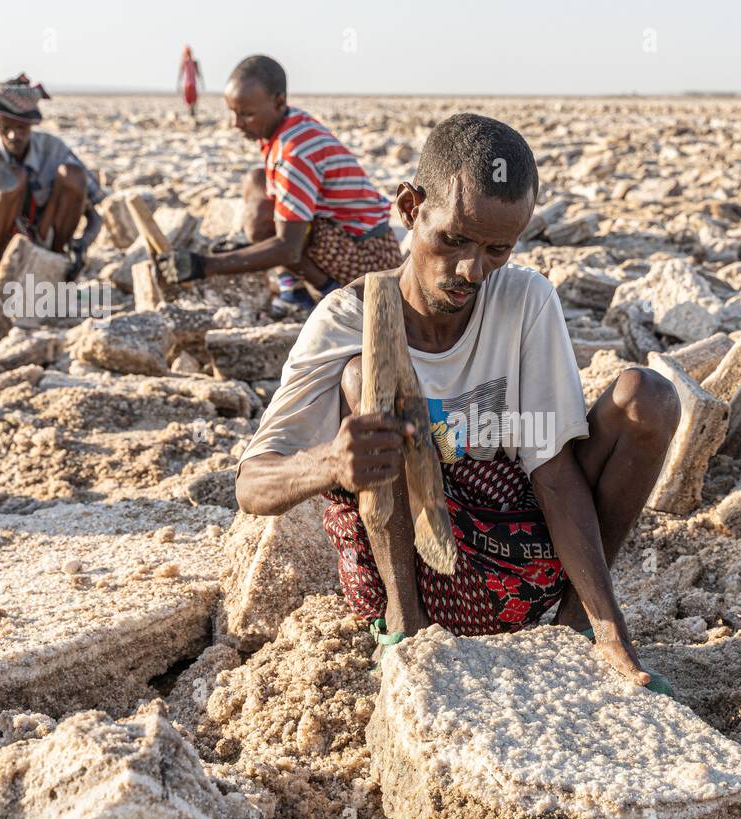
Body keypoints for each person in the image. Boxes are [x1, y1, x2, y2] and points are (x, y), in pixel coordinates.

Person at [234, 113, 681, 688]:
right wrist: (329, 462)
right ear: (409, 207)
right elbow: (251, 485)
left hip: (513, 566)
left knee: (649, 398)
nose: (472, 270)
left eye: (498, 248)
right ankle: (409, 634)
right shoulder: (349, 317)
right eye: (453, 239)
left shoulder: (523, 300)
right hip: (412, 564)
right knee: (364, 377)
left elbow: (552, 470)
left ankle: (571, 630)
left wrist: (609, 629)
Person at [156, 55, 401, 313]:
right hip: (350, 239)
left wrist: (204, 265)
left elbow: (287, 248)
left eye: (248, 114)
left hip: (370, 261)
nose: (236, 124)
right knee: (258, 181)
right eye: (233, 112)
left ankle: (331, 291)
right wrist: (250, 253)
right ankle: (293, 289)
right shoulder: (285, 123)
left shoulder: (294, 152)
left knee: (281, 225)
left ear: (279, 101)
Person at [0, 74, 103, 284]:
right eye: (5, 126)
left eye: (21, 128)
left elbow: (95, 214)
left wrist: (82, 244)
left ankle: (55, 266)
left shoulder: (53, 150)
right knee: (13, 179)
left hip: (40, 243)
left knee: (72, 174)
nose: (13, 136)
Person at [178, 45, 203, 119]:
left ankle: (192, 111)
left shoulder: (194, 62)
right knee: (189, 100)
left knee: (193, 99)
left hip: (192, 83)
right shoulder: (184, 62)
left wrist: (202, 82)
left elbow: (198, 73)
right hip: (187, 84)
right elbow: (181, 74)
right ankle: (191, 111)